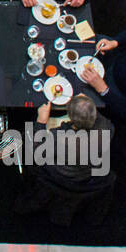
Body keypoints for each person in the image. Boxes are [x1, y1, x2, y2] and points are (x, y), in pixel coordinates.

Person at [13, 95, 115, 224]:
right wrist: (85, 107)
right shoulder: (107, 128)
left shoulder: (60, 138)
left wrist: (40, 121)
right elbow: (100, 121)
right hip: (89, 177)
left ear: (71, 117)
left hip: (57, 177)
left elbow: (37, 151)